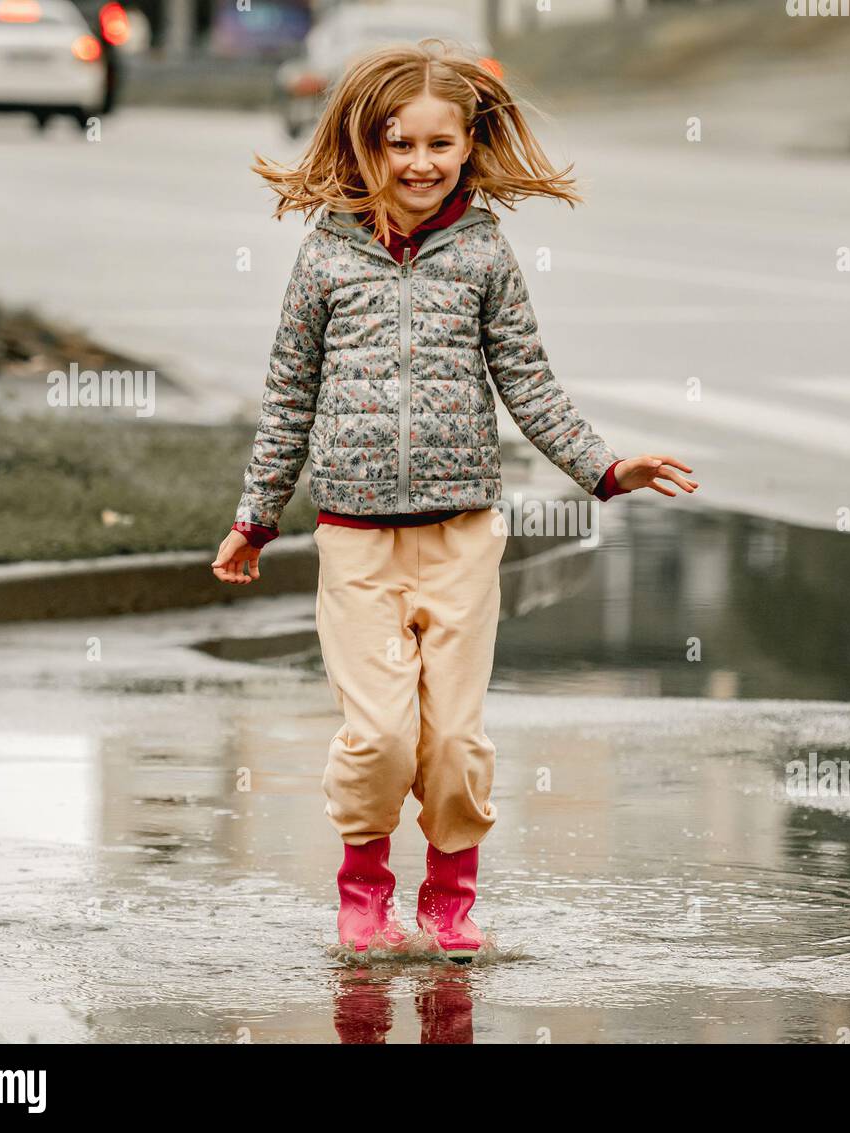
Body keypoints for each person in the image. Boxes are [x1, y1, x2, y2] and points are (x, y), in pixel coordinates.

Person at [211, 39, 699, 961]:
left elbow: (530, 383)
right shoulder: (325, 259)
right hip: (355, 541)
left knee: (452, 744)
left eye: (441, 145)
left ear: (469, 147)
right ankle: (364, 888)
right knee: (380, 735)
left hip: (464, 536)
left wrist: (604, 467)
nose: (422, 164)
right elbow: (288, 398)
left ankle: (449, 897)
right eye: (400, 144)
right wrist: (255, 518)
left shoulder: (485, 256)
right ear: (365, 147)